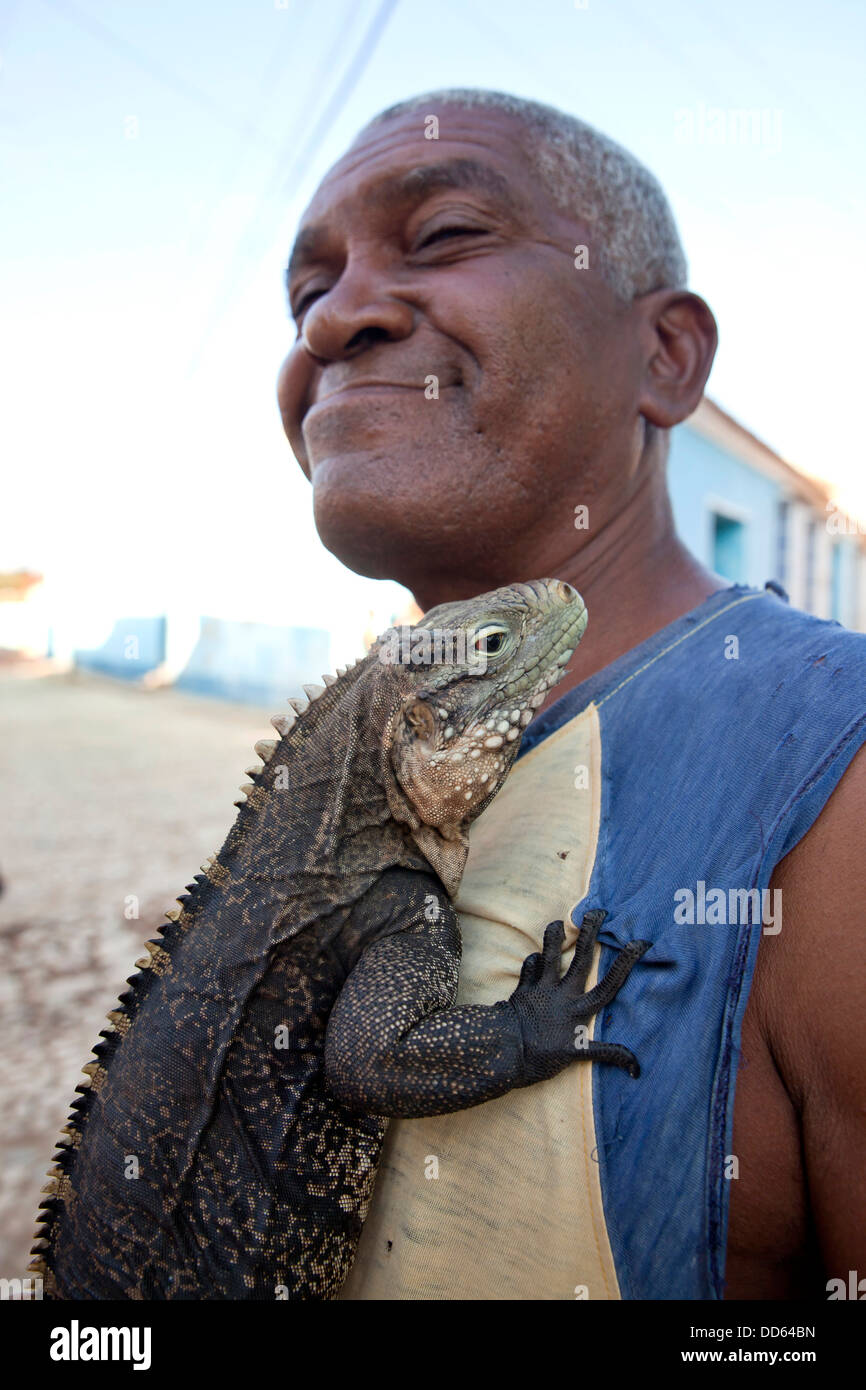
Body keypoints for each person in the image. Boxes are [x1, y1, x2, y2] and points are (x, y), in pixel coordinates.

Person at [276, 88, 866, 1300]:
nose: (335, 316)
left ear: (662, 355)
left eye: (442, 235)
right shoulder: (353, 762)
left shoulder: (833, 763)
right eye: (302, 293)